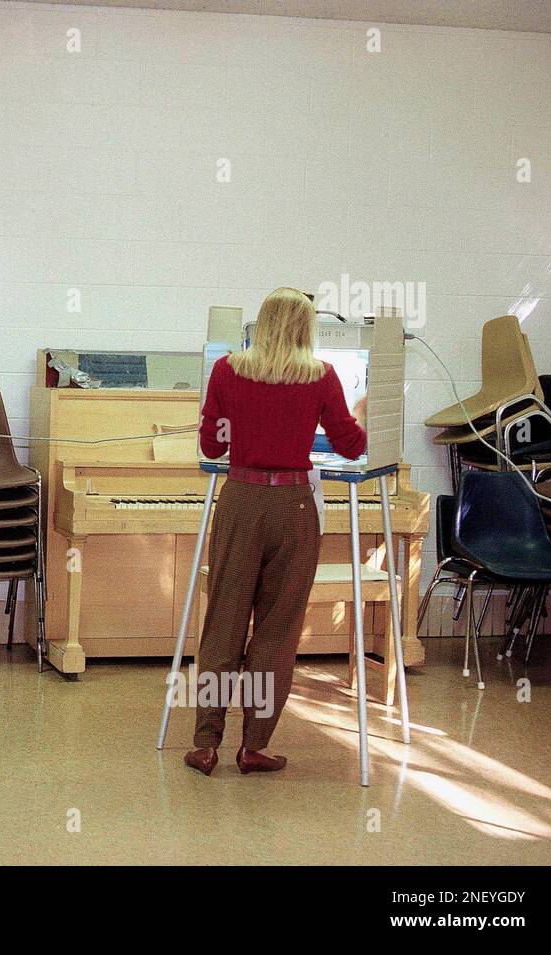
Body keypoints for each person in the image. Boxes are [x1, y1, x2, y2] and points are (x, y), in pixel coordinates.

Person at [185, 287, 365, 776]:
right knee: (277, 631)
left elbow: (209, 443)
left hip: (241, 498)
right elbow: (350, 446)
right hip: (293, 504)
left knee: (223, 621)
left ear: (260, 325)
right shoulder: (322, 377)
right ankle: (254, 747)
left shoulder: (226, 370)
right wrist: (369, 414)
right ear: (308, 330)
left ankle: (206, 744)